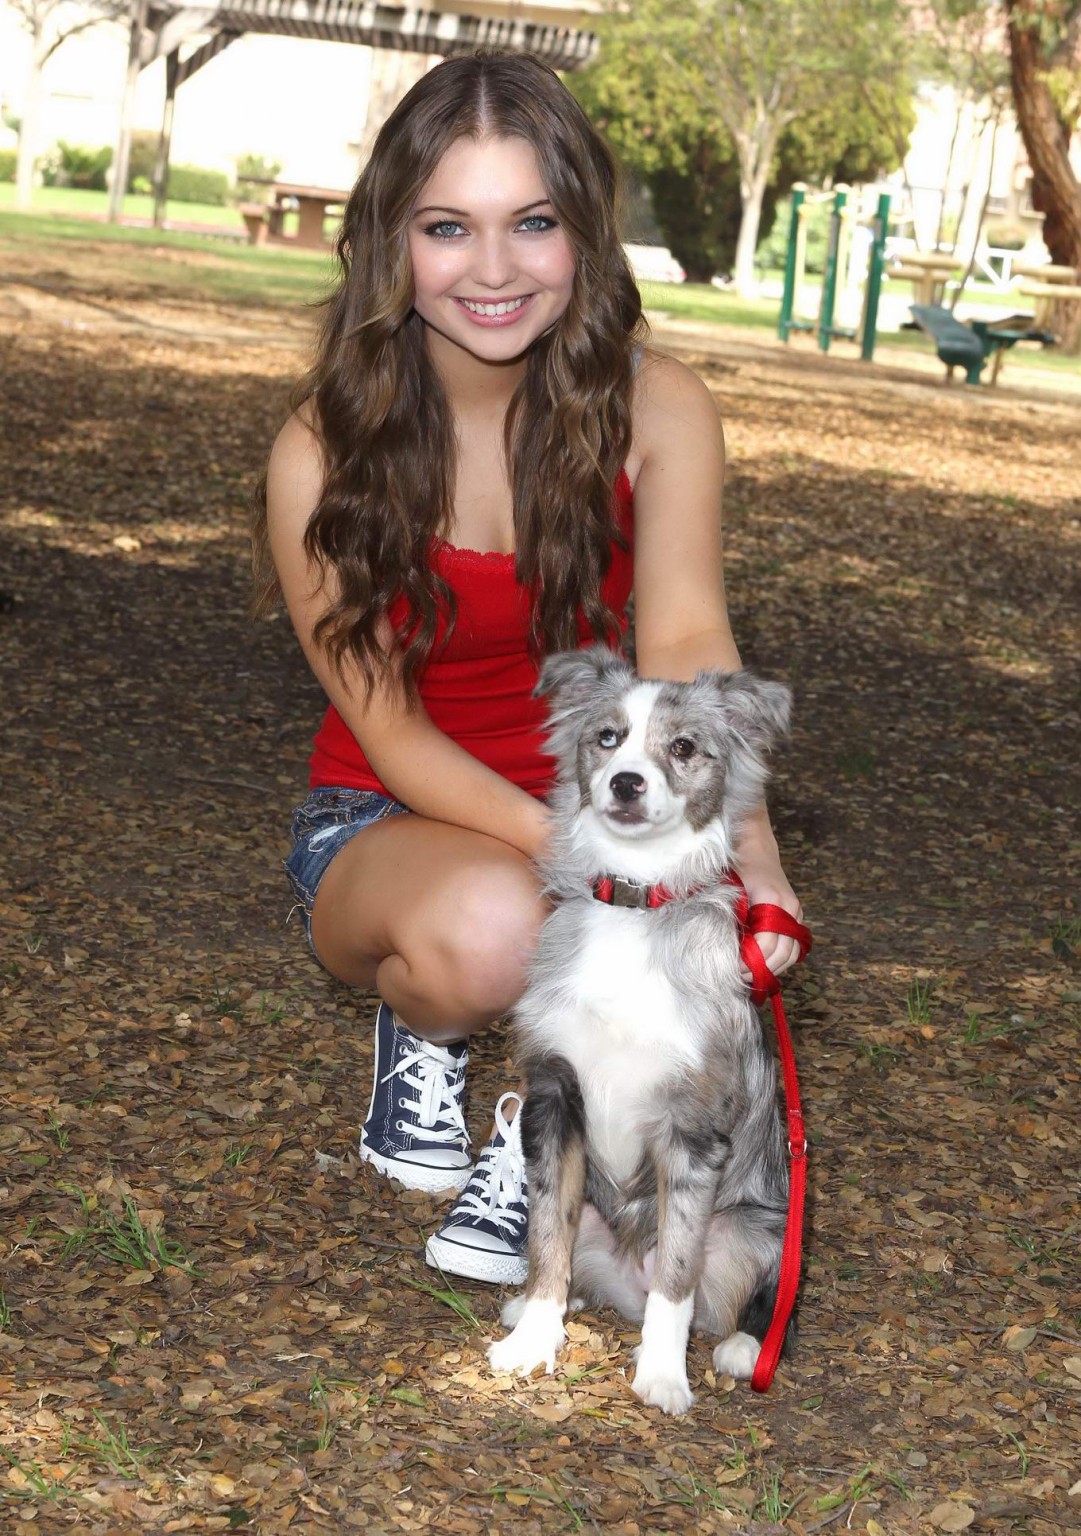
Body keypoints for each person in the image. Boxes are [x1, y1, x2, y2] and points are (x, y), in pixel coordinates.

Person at [251, 49, 802, 1288]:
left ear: (585, 237)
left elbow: (687, 652)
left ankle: (537, 1131)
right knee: (504, 931)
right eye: (449, 228)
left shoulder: (659, 409)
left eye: (531, 224)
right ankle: (432, 1028)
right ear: (392, 243)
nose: (492, 271)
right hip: (389, 820)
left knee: (656, 959)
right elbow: (389, 738)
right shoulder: (317, 454)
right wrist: (585, 871)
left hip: (616, 806)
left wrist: (750, 874)